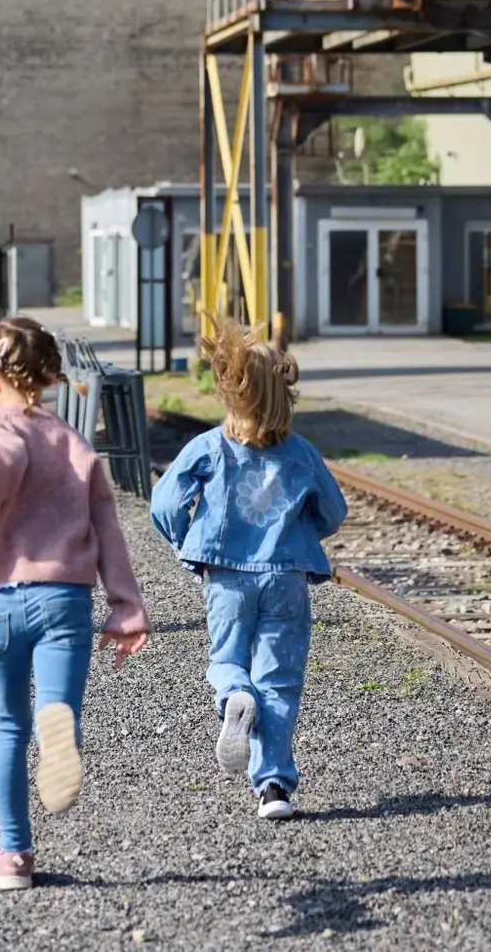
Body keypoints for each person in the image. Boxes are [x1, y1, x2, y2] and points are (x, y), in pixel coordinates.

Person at [0, 316, 151, 891]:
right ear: (50, 378)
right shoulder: (75, 445)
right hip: (65, 600)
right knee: (58, 714)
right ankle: (63, 740)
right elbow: (107, 526)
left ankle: (14, 856)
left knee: (8, 723)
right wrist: (125, 604)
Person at [150, 317, 346, 821]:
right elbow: (332, 513)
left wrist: (184, 541)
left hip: (226, 578)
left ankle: (235, 695)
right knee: (279, 681)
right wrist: (298, 534)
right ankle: (274, 788)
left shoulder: (210, 447)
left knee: (227, 660)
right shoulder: (302, 454)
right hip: (286, 579)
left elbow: (166, 502)